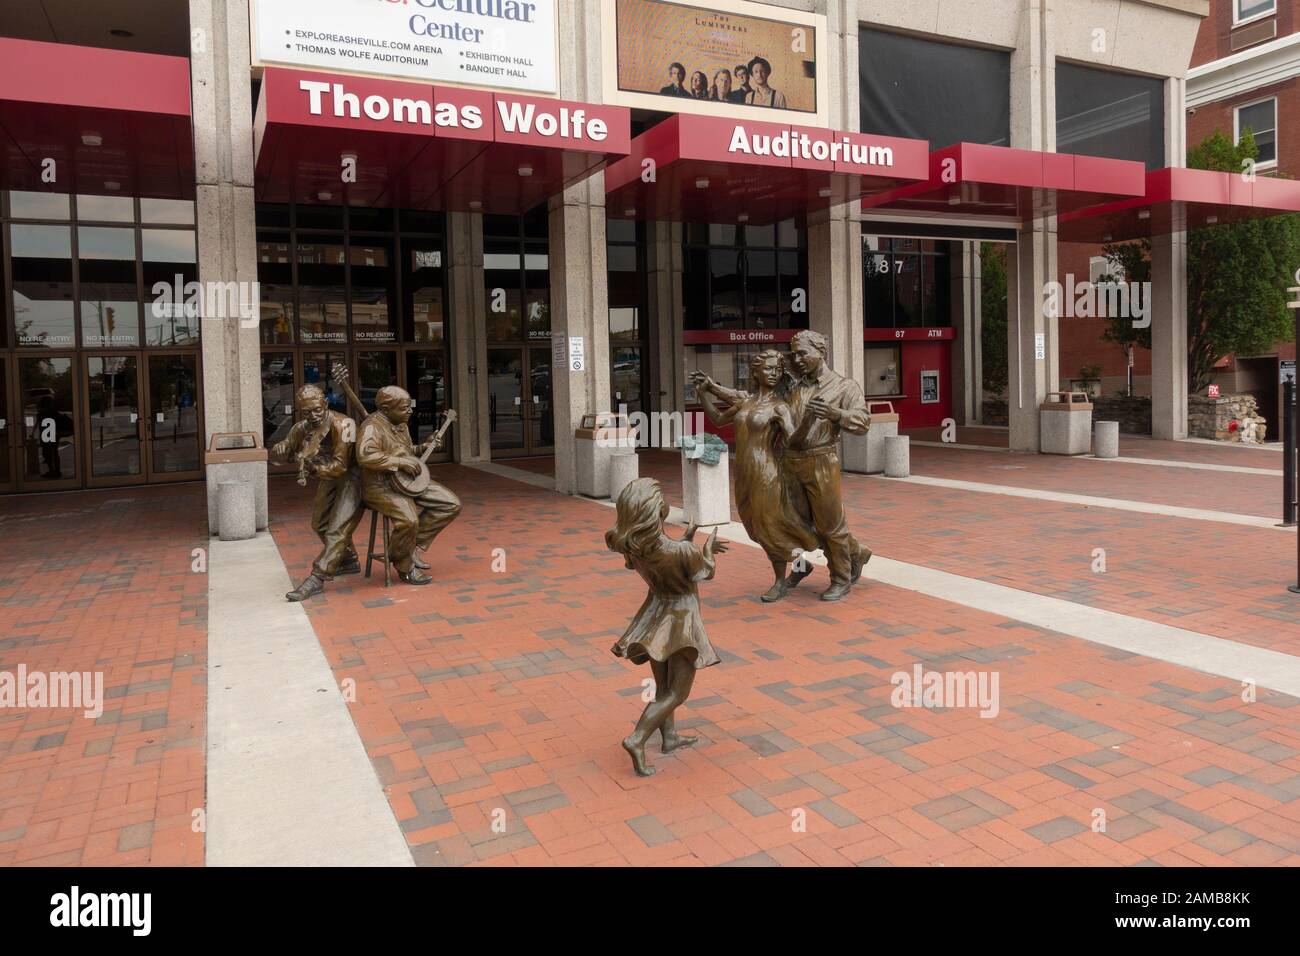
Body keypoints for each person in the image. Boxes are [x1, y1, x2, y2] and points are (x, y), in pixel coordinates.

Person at [607, 478, 727, 777]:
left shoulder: (635, 547)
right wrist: (707, 549)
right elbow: (704, 573)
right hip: (681, 620)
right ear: (655, 511)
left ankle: (669, 738)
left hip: (654, 614)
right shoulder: (680, 552)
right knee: (678, 692)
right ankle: (637, 738)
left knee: (662, 686)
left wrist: (685, 542)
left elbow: (669, 555)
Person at [691, 351, 819, 603]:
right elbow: (717, 420)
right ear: (756, 372)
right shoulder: (745, 401)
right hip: (744, 473)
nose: (774, 374)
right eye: (769, 369)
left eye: (777, 370)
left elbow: (793, 440)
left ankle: (780, 581)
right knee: (753, 525)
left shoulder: (780, 407)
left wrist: (808, 421)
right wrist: (703, 394)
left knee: (768, 525)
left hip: (768, 472)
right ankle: (802, 566)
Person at [784, 329, 872, 601]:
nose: (797, 359)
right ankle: (855, 551)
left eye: (803, 353)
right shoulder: (794, 387)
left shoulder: (845, 387)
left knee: (829, 524)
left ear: (821, 352)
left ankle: (841, 578)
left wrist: (837, 414)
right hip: (791, 461)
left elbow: (862, 423)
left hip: (821, 460)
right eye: (794, 354)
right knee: (797, 524)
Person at [356, 385, 461, 586]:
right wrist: (401, 463)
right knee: (409, 519)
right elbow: (366, 456)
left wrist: (424, 446)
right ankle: (404, 566)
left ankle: (409, 548)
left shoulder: (401, 423)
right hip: (380, 486)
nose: (410, 411)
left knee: (451, 503)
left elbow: (407, 452)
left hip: (407, 482)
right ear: (386, 409)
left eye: (409, 406)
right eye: (404, 408)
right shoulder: (371, 427)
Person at [270, 383, 366, 602]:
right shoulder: (301, 428)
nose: (312, 416)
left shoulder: (344, 424)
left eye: (316, 410)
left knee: (336, 530)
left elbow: (340, 466)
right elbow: (280, 455)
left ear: (325, 403)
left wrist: (313, 468)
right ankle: (348, 559)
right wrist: (280, 451)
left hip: (353, 476)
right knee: (319, 524)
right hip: (328, 476)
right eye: (306, 412)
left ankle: (317, 577)